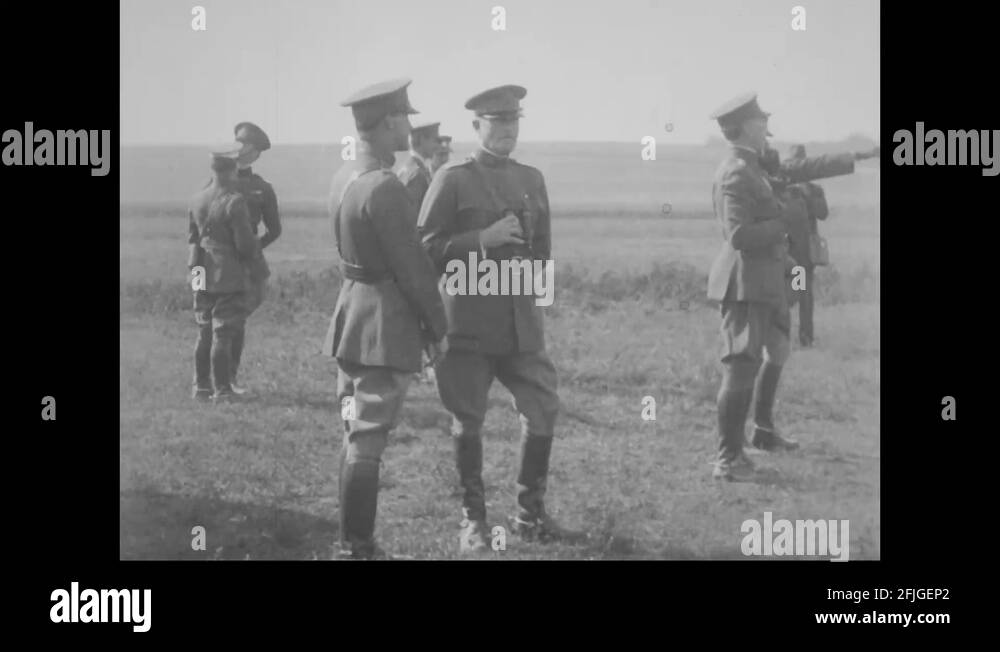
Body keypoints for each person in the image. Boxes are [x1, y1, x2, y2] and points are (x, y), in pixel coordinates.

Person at [418, 84, 583, 553]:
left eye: (513, 122)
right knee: (468, 421)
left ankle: (531, 515)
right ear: (476, 127)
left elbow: (543, 247)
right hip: (467, 325)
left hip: (520, 326)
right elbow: (425, 250)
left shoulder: (531, 178)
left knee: (543, 409)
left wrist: (538, 299)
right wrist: (481, 239)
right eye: (497, 123)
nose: (507, 130)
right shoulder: (451, 179)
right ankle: (473, 520)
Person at [323, 78, 448, 559]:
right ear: (387, 123)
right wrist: (438, 330)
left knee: (353, 430)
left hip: (350, 314)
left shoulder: (343, 179)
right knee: (369, 436)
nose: (409, 127)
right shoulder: (386, 187)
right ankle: (358, 546)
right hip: (381, 323)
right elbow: (414, 272)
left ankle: (347, 539)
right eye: (403, 118)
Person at [706, 92, 799, 482]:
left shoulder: (752, 167)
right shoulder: (737, 171)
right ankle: (727, 460)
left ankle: (740, 452)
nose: (766, 128)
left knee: (750, 365)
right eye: (761, 123)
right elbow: (738, 234)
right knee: (740, 370)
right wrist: (784, 225)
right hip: (743, 286)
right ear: (744, 127)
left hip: (760, 285)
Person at [761, 143, 880, 347]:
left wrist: (809, 196)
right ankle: (781, 335)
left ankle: (805, 338)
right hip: (785, 251)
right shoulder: (781, 186)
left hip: (804, 253)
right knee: (787, 294)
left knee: (803, 294)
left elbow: (823, 214)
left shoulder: (814, 190)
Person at [188, 144, 261, 403]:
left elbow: (192, 239)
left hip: (200, 269)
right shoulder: (234, 200)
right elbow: (245, 246)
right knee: (223, 331)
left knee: (204, 329)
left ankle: (201, 387)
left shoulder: (198, 198)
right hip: (226, 273)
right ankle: (223, 389)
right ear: (232, 169)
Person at [230, 121, 281, 394]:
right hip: (219, 260)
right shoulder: (217, 183)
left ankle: (229, 378)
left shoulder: (262, 188)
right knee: (218, 321)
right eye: (239, 144)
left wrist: (254, 249)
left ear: (256, 154)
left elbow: (275, 230)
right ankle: (210, 381)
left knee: (237, 319)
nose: (241, 150)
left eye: (247, 147)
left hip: (247, 264)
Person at [397, 121, 440, 215]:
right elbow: (414, 215)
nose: (437, 146)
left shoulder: (409, 167)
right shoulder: (417, 174)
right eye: (435, 141)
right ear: (422, 139)